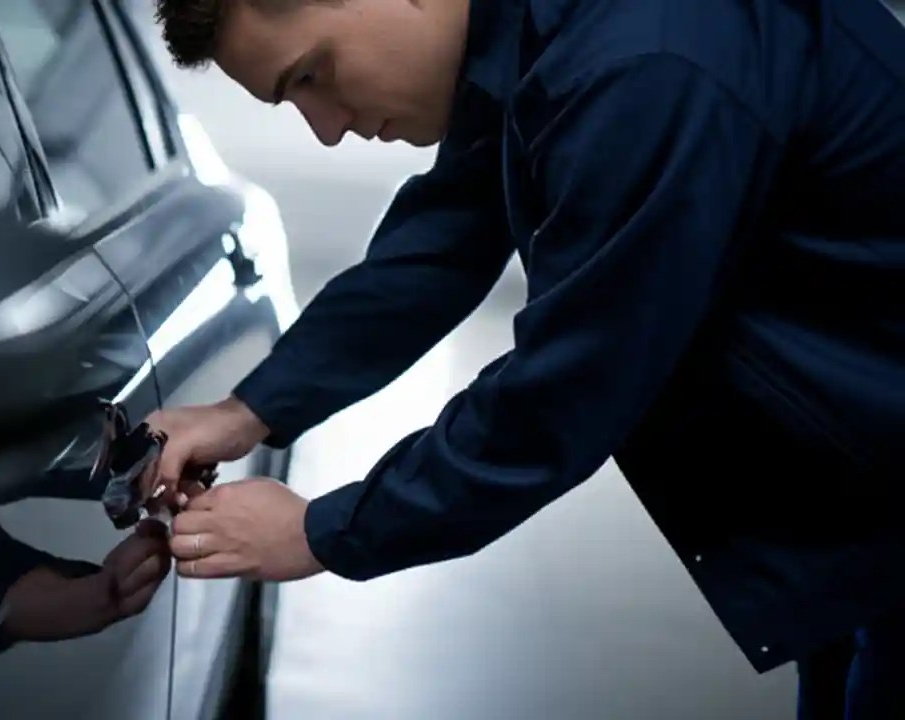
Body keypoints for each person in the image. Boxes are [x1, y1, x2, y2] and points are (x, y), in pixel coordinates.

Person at [141, 0, 905, 717]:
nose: (327, 128)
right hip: (855, 507)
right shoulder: (542, 29)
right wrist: (248, 410)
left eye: (312, 75)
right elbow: (449, 235)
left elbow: (572, 382)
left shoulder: (650, 56)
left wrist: (323, 531)